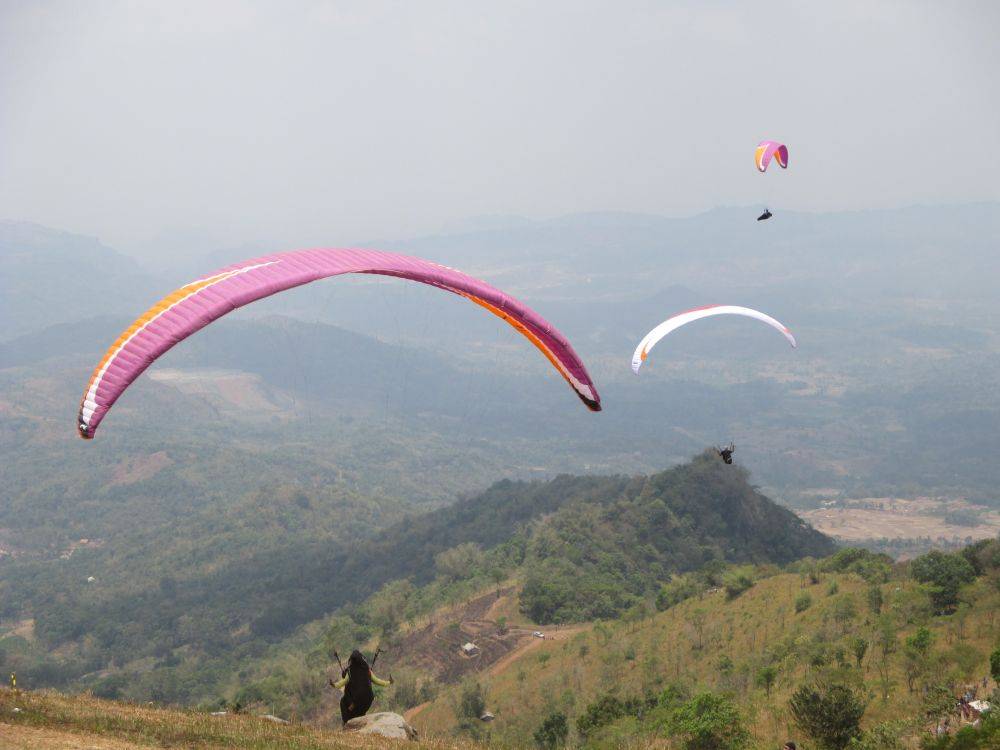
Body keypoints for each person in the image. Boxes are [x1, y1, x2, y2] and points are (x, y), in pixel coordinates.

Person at [330, 650, 393, 725]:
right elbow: (378, 681)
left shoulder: (350, 671)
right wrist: (389, 682)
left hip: (355, 703)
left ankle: (346, 723)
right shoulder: (367, 670)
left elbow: (341, 683)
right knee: (359, 707)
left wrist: (334, 685)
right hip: (367, 701)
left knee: (343, 702)